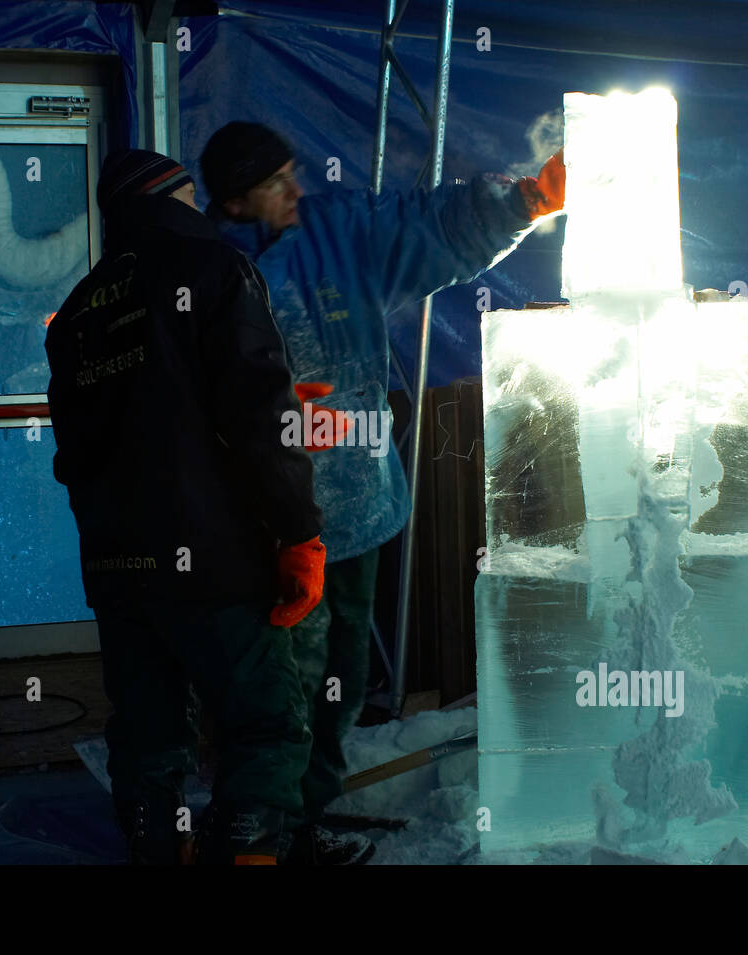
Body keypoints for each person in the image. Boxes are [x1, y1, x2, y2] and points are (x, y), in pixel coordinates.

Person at [200, 121, 565, 864]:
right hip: (266, 522)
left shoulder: (340, 234)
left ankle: (304, 820)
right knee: (281, 682)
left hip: (357, 508)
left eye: (293, 171)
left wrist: (525, 200)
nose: (296, 189)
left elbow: (426, 226)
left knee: (341, 673)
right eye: (275, 183)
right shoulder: (207, 275)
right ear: (234, 203)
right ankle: (255, 833)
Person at [46, 148, 328, 865]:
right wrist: (300, 533)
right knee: (265, 724)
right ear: (177, 199)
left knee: (148, 735)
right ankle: (247, 855)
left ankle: (156, 850)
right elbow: (262, 420)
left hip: (119, 566)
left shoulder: (77, 311)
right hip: (216, 560)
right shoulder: (214, 271)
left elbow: (82, 454)